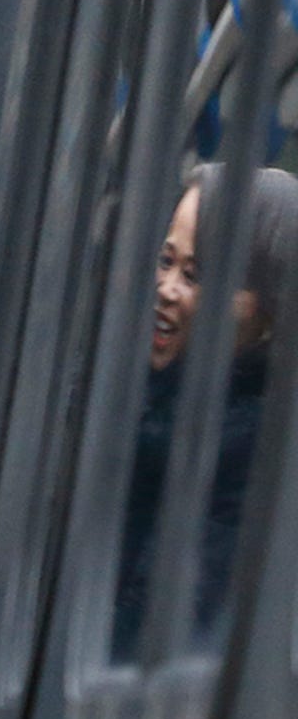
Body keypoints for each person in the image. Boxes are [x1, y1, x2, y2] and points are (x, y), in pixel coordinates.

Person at [112, 160, 298, 650]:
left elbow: (162, 623)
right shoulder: (131, 385)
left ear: (263, 307)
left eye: (193, 275)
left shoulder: (257, 450)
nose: (165, 289)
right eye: (165, 261)